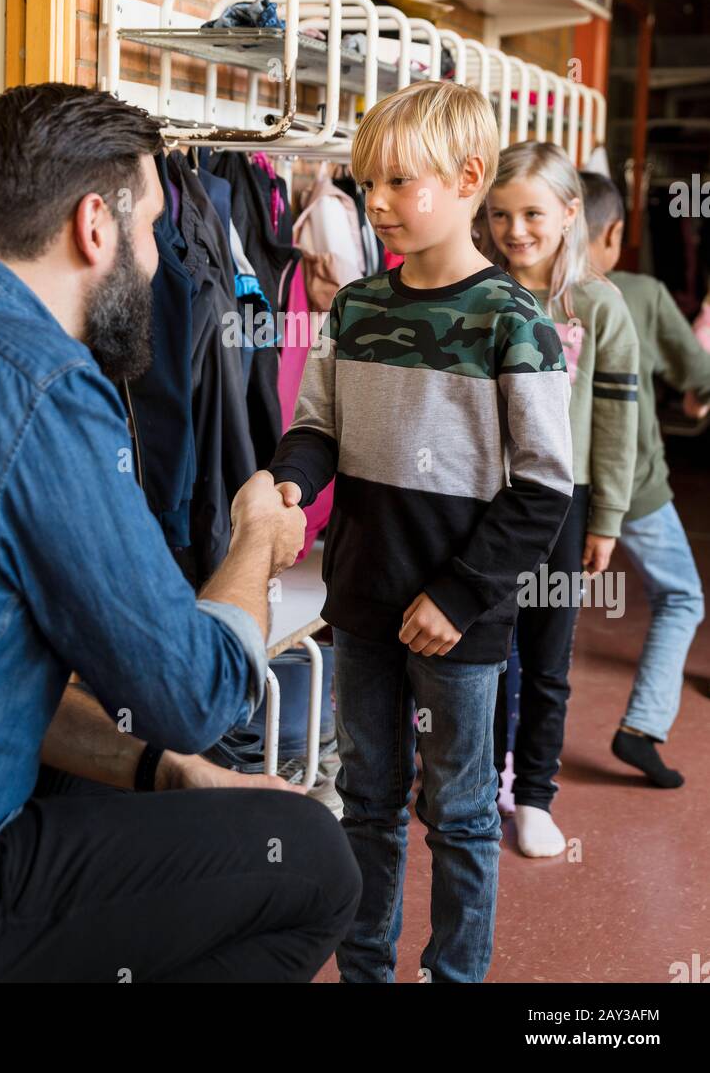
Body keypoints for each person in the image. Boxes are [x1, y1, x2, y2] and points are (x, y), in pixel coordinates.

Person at [0, 83, 361, 984]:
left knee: (120, 784)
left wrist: (165, 771)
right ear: (95, 225)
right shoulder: (36, 379)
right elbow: (197, 695)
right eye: (154, 230)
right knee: (310, 859)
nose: (161, 264)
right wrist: (252, 545)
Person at [266, 82, 574, 983]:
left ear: (468, 177)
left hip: (457, 621)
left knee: (462, 813)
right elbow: (316, 428)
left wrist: (458, 594)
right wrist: (289, 482)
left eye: (399, 182)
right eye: (367, 186)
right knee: (364, 802)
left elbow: (543, 490)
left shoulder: (513, 324)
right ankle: (365, 972)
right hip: (359, 606)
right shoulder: (357, 307)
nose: (378, 204)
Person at [483, 142, 639, 857]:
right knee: (480, 649)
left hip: (559, 502)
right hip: (483, 497)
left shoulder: (599, 306)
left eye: (532, 214)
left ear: (568, 214)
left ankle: (535, 796)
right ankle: (479, 784)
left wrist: (604, 517)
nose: (515, 230)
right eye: (500, 215)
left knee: (545, 659)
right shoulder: (477, 293)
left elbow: (617, 421)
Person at [582, 170, 709, 787]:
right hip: (633, 484)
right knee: (681, 596)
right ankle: (641, 727)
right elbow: (698, 377)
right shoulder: (640, 292)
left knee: (534, 614)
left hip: (552, 490)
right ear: (612, 233)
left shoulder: (517, 295)